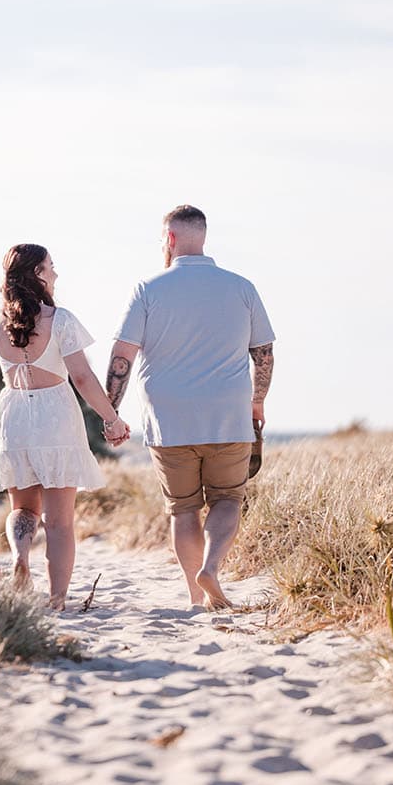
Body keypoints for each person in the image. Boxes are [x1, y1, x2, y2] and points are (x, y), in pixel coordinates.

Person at [105, 205, 275, 610]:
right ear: (203, 237)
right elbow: (264, 355)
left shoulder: (148, 289)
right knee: (227, 500)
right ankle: (212, 568)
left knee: (183, 510)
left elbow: (121, 357)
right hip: (228, 415)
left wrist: (111, 413)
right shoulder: (241, 287)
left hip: (169, 421)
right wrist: (257, 402)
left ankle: (195, 595)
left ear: (169, 240)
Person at [0, 244, 131, 610]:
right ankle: (57, 599)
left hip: (13, 413)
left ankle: (20, 554)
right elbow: (81, 378)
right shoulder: (60, 319)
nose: (56, 273)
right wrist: (111, 418)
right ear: (37, 273)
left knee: (23, 508)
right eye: (51, 267)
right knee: (60, 522)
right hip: (55, 414)